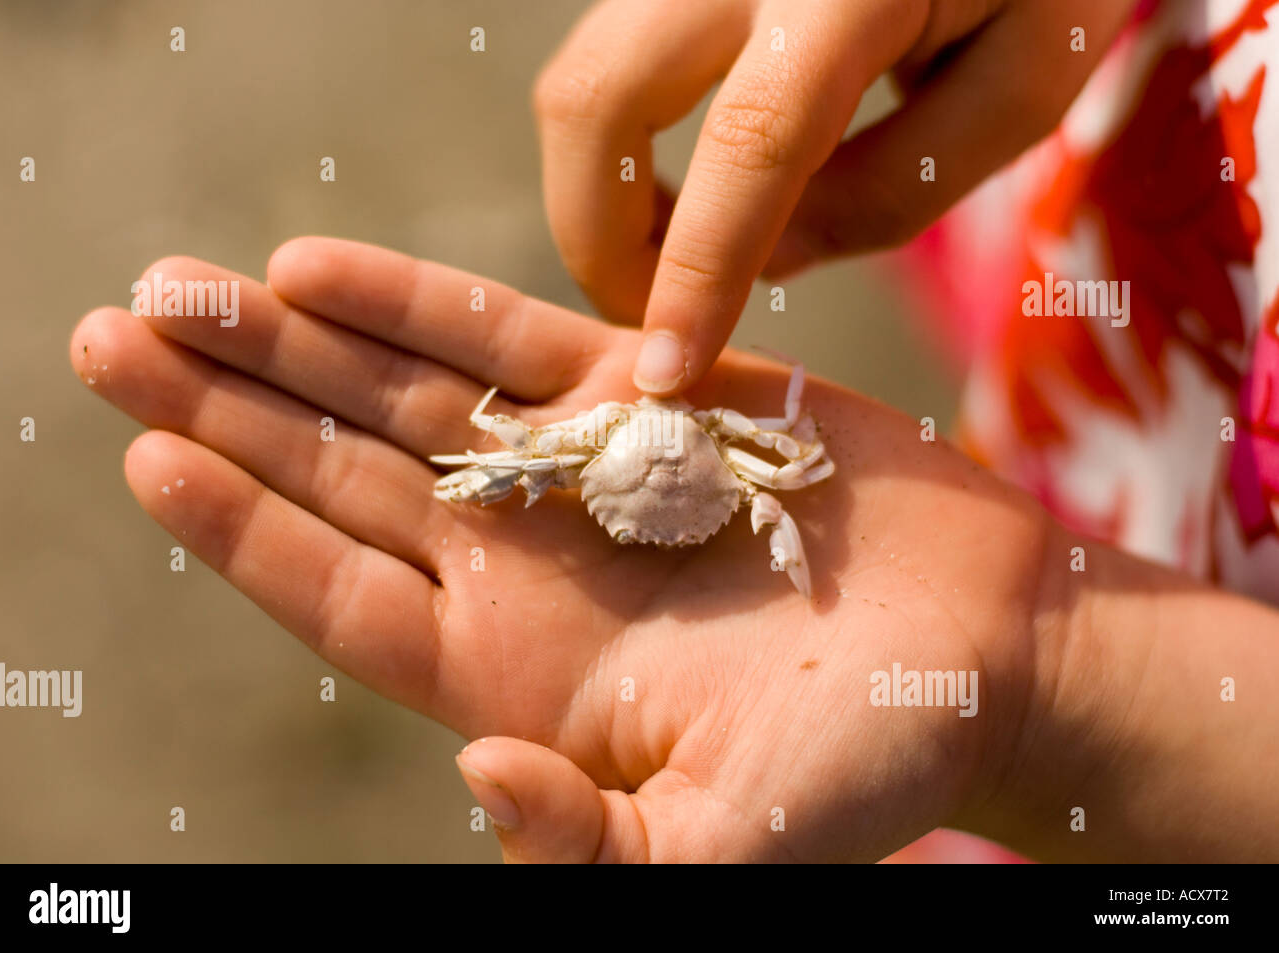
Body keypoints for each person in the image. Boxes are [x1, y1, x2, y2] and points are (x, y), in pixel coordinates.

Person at [70, 0, 1278, 862]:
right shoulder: (623, 445)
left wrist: (1057, 688)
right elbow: (546, 456)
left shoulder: (693, 472)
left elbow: (783, 471)